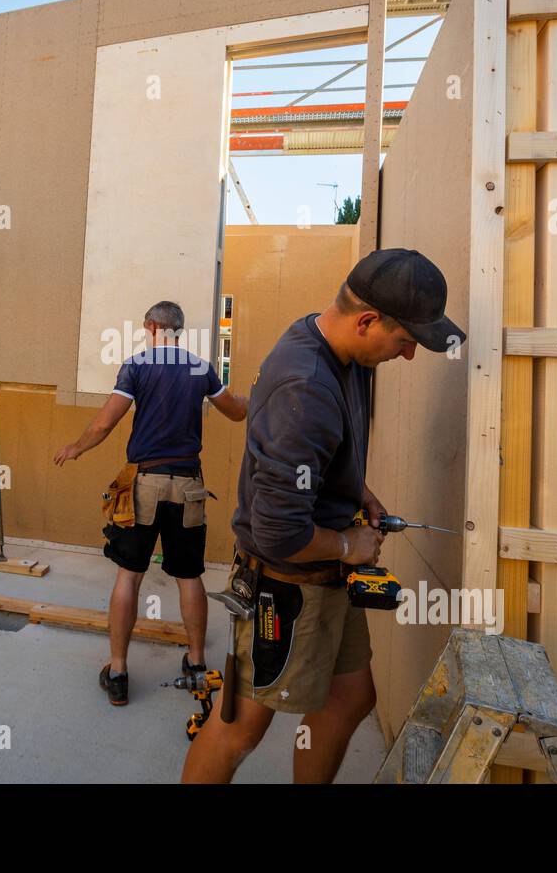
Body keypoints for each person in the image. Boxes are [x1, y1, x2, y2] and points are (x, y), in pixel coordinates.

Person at [181, 248, 466, 783]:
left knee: (350, 698)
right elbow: (277, 528)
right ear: (366, 320)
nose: (407, 356)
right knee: (239, 726)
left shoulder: (341, 350)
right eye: (405, 341)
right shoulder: (306, 384)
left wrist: (360, 492)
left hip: (326, 576)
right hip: (288, 586)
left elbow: (316, 456)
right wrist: (347, 546)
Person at [54, 301, 247, 706]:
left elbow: (105, 423)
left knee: (129, 576)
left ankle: (119, 672)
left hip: (145, 485)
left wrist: (77, 447)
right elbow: (235, 412)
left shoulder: (137, 365)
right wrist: (262, 397)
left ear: (151, 326)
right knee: (189, 575)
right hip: (189, 487)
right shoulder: (200, 367)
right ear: (177, 329)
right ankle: (196, 665)